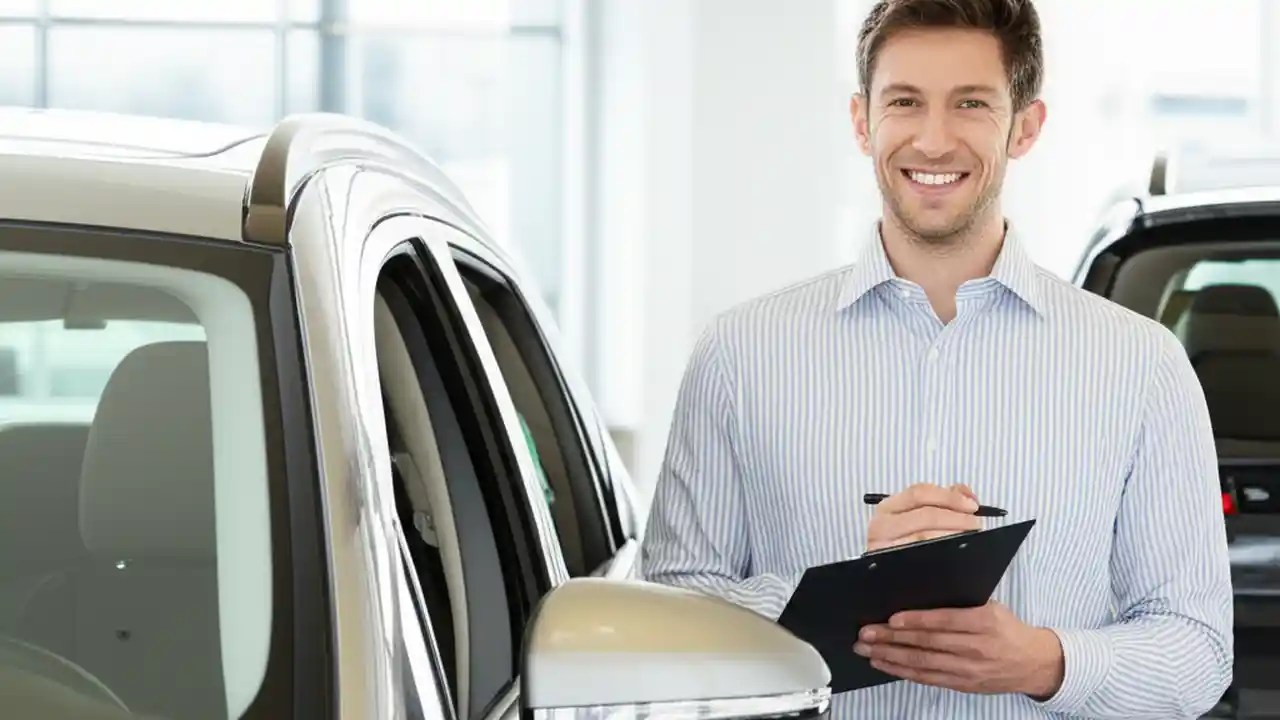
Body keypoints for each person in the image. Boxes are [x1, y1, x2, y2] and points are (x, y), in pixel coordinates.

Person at [639, 0, 1234, 717]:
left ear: (1027, 126)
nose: (933, 138)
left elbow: (1198, 653)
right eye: (905, 102)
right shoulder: (737, 355)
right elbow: (666, 622)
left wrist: (1043, 661)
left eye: (971, 104)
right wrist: (846, 593)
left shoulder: (1142, 367)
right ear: (862, 121)